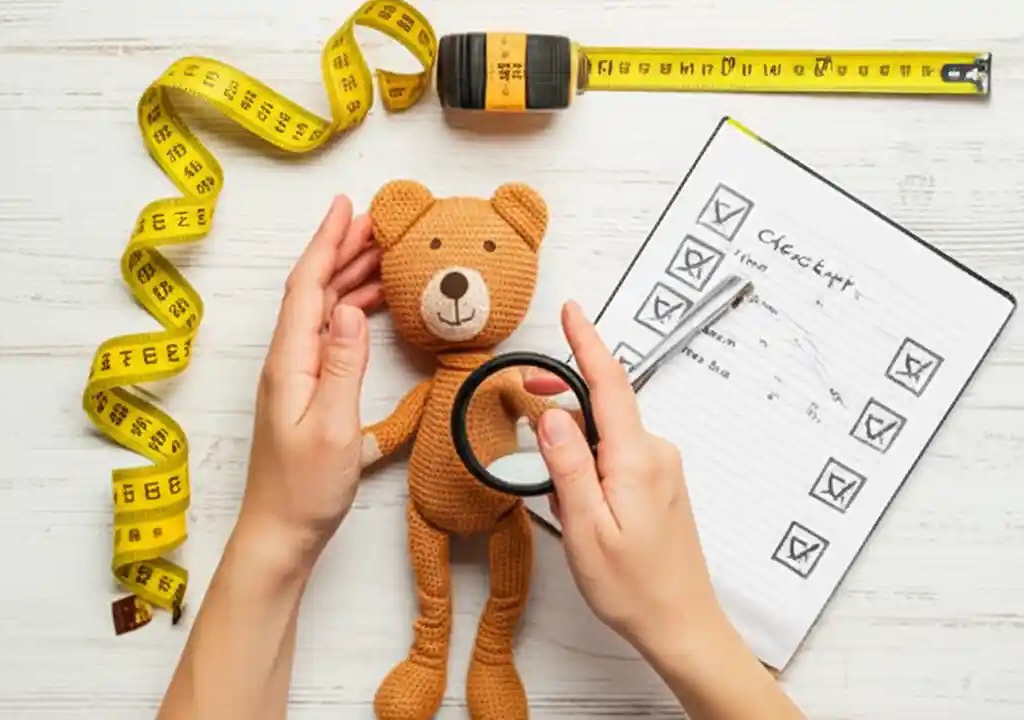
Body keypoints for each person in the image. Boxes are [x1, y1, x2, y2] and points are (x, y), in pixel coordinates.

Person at [155, 196, 806, 720]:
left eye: (489, 250)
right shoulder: (435, 388)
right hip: (429, 514)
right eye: (434, 251)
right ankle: (427, 660)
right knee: (431, 599)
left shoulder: (504, 380)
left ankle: (492, 659)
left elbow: (548, 416)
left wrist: (277, 528)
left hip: (501, 513)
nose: (458, 276)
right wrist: (346, 464)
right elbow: (393, 429)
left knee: (506, 594)